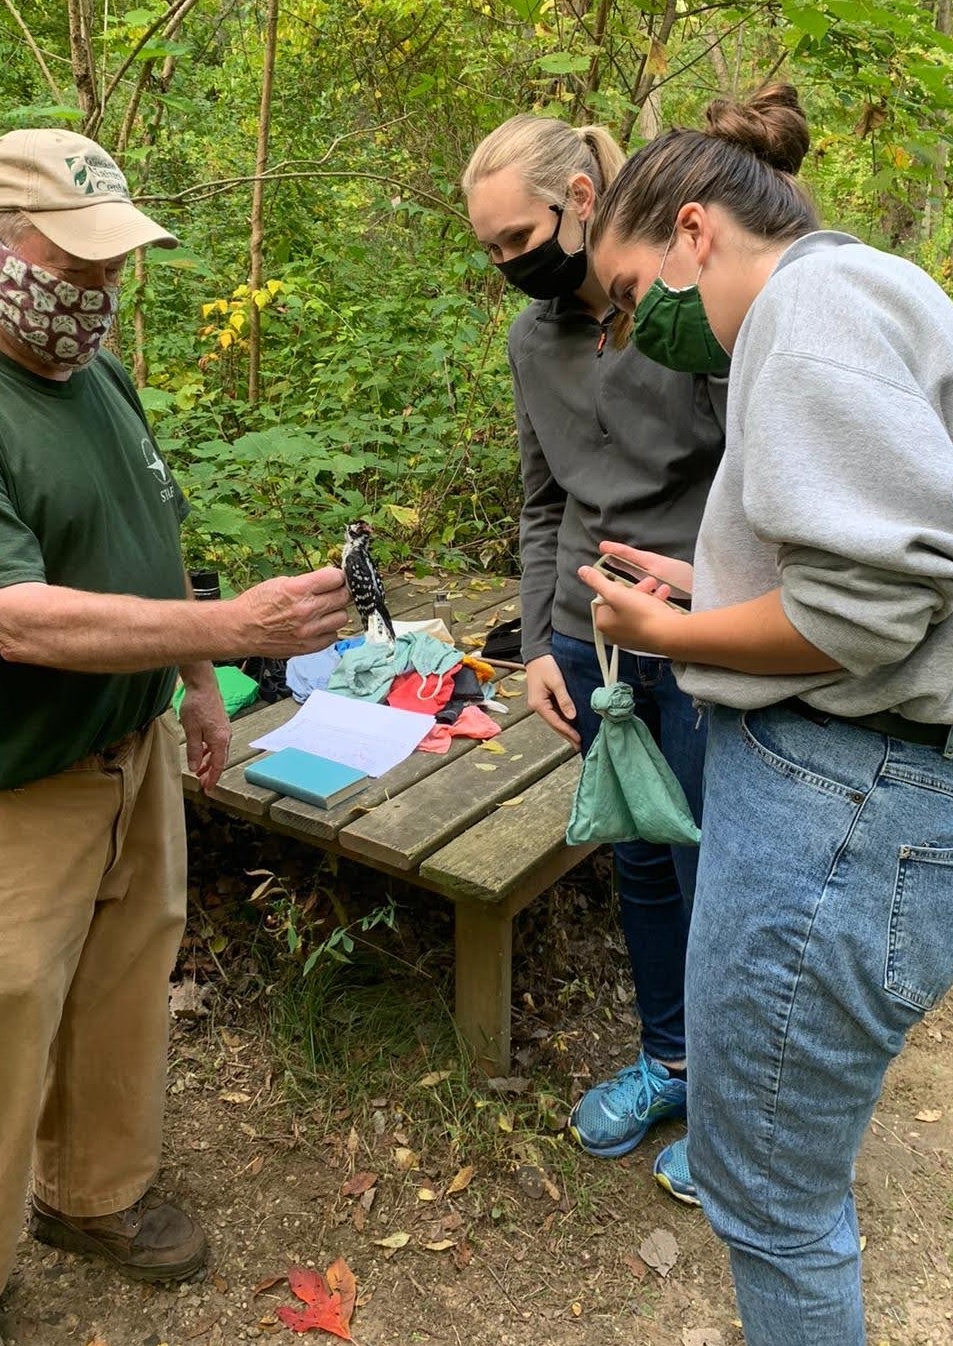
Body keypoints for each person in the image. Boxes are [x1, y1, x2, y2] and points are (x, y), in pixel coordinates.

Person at [0, 128, 349, 1346]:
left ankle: (90, 1196)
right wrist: (230, 623)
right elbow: (13, 617)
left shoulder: (97, 374)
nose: (98, 294)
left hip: (127, 755)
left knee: (124, 994)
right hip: (3, 784)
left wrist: (196, 677)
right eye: (74, 266)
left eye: (113, 265)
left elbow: (150, 531)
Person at [583, 83, 953, 1346]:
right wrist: (714, 582)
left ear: (694, 231)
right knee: (780, 1166)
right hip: (864, 780)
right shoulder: (867, 286)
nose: (633, 336)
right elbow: (860, 558)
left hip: (844, 799)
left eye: (629, 297)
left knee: (768, 1194)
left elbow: (869, 608)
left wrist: (665, 634)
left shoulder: (802, 312)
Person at [461, 116, 726, 1200]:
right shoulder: (532, 344)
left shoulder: (686, 311)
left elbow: (754, 470)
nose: (504, 262)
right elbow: (539, 503)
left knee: (721, 868)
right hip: (589, 640)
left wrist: (715, 600)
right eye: (484, 247)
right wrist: (535, 643)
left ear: (579, 195)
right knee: (635, 859)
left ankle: (734, 1107)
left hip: (706, 633)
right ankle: (666, 1060)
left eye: (514, 235)